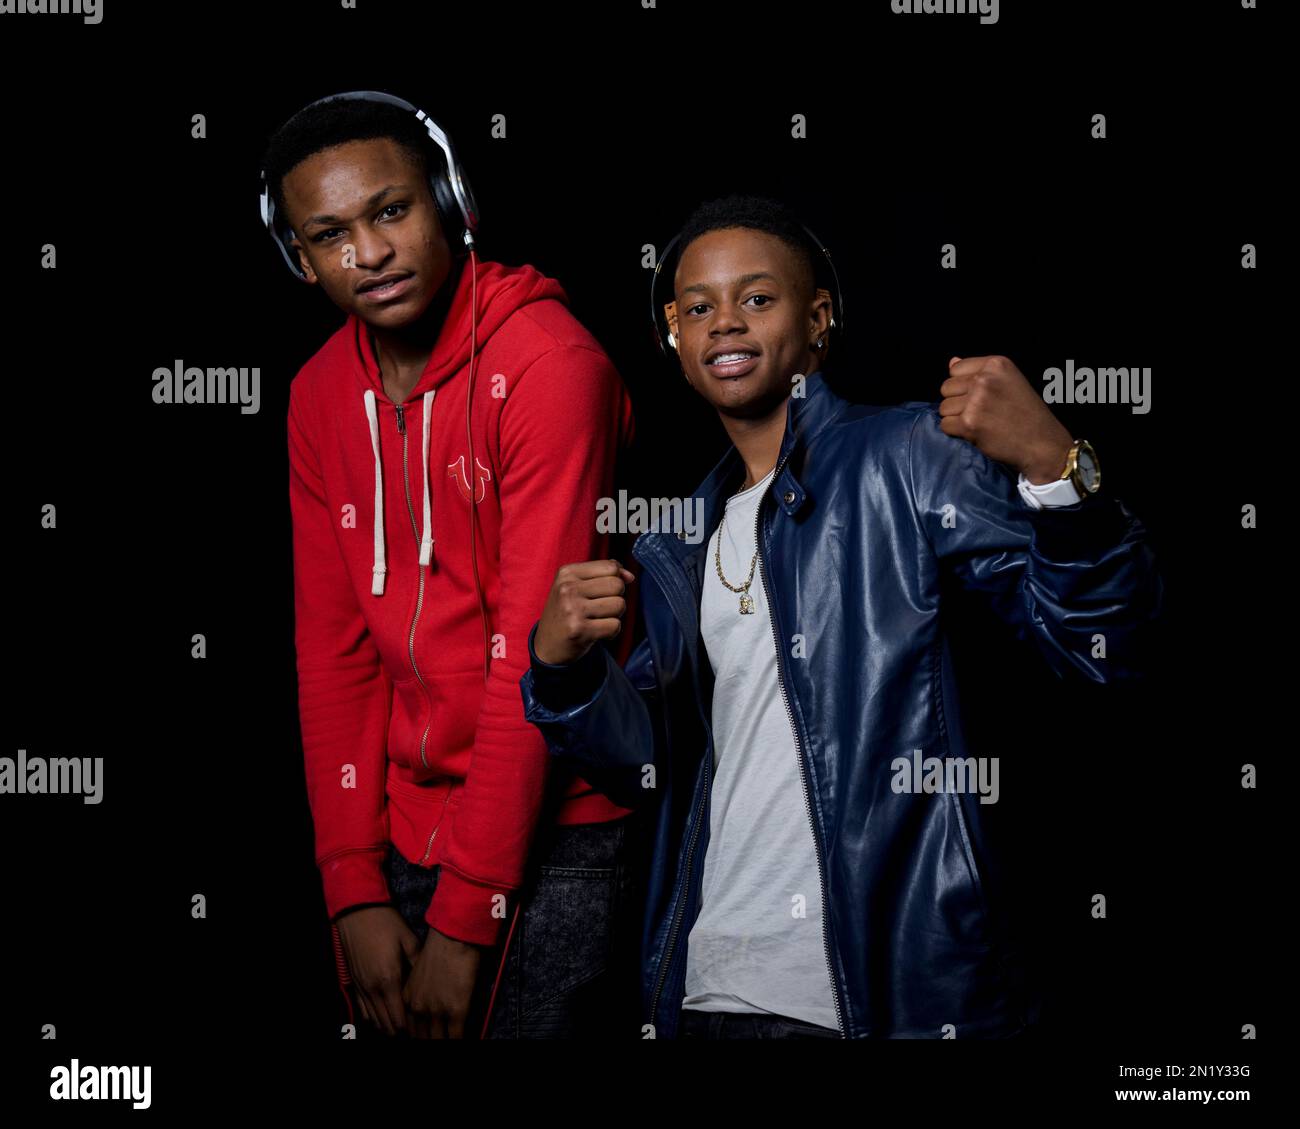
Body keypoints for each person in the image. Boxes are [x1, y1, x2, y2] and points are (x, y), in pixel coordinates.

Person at [519, 194, 1164, 1039]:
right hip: (709, 987)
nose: (725, 324)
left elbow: (1102, 650)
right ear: (672, 338)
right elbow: (647, 766)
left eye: (757, 298)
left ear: (818, 321)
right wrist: (560, 669)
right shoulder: (680, 541)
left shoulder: (907, 456)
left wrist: (1059, 470)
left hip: (885, 983)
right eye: (698, 308)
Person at [263, 91, 644, 1038]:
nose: (370, 253)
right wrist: (351, 885)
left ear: (450, 200)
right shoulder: (317, 397)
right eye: (330, 233)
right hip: (396, 828)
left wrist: (469, 919)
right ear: (300, 258)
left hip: (560, 832)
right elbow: (336, 657)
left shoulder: (552, 364)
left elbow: (532, 652)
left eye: (391, 211)